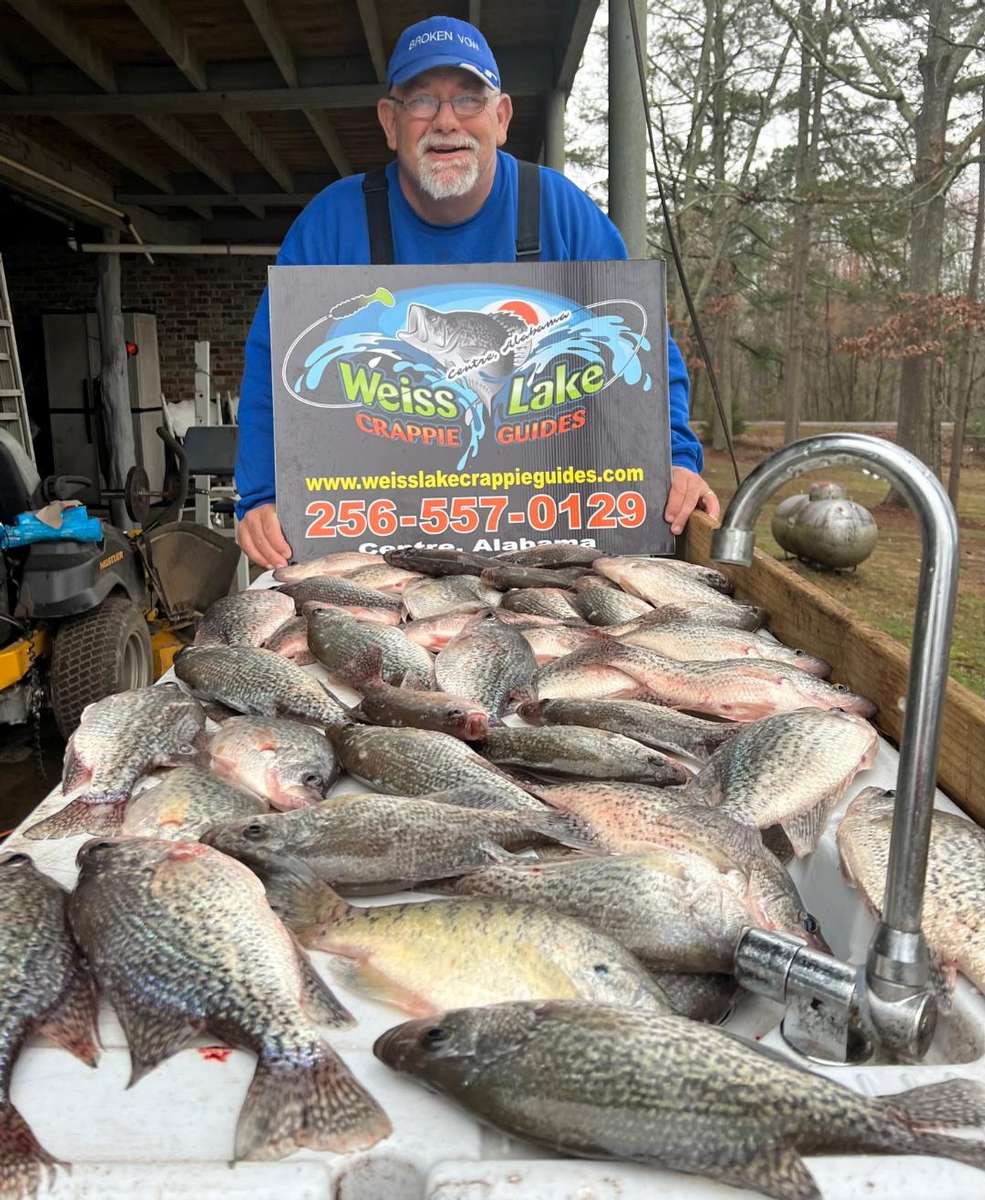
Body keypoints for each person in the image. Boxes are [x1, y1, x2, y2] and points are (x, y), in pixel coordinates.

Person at [235, 15, 720, 569]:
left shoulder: (560, 210)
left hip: (542, 546)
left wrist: (675, 457)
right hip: (373, 554)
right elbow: (274, 364)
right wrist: (262, 497)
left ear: (502, 116)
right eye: (422, 101)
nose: (446, 122)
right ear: (390, 123)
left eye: (468, 98)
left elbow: (642, 342)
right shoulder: (331, 223)